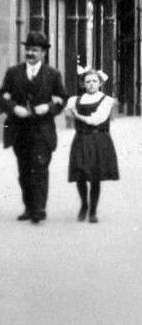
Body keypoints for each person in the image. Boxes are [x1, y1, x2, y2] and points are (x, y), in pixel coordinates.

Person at [1, 32, 67, 224]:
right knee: (24, 170)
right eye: (28, 49)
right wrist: (14, 108)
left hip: (42, 130)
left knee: (39, 168)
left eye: (35, 50)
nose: (30, 53)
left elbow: (62, 98)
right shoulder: (13, 73)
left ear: (43, 53)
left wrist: (48, 107)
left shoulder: (52, 74)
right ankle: (29, 207)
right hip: (19, 130)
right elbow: (2, 96)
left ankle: (39, 208)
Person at [66, 67, 120, 222]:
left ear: (100, 83)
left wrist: (77, 115)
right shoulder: (75, 100)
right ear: (83, 84)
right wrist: (70, 113)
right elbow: (66, 112)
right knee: (80, 175)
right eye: (87, 81)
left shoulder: (106, 100)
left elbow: (97, 119)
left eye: (94, 81)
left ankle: (93, 210)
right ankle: (84, 204)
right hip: (81, 139)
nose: (91, 84)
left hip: (98, 140)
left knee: (95, 176)